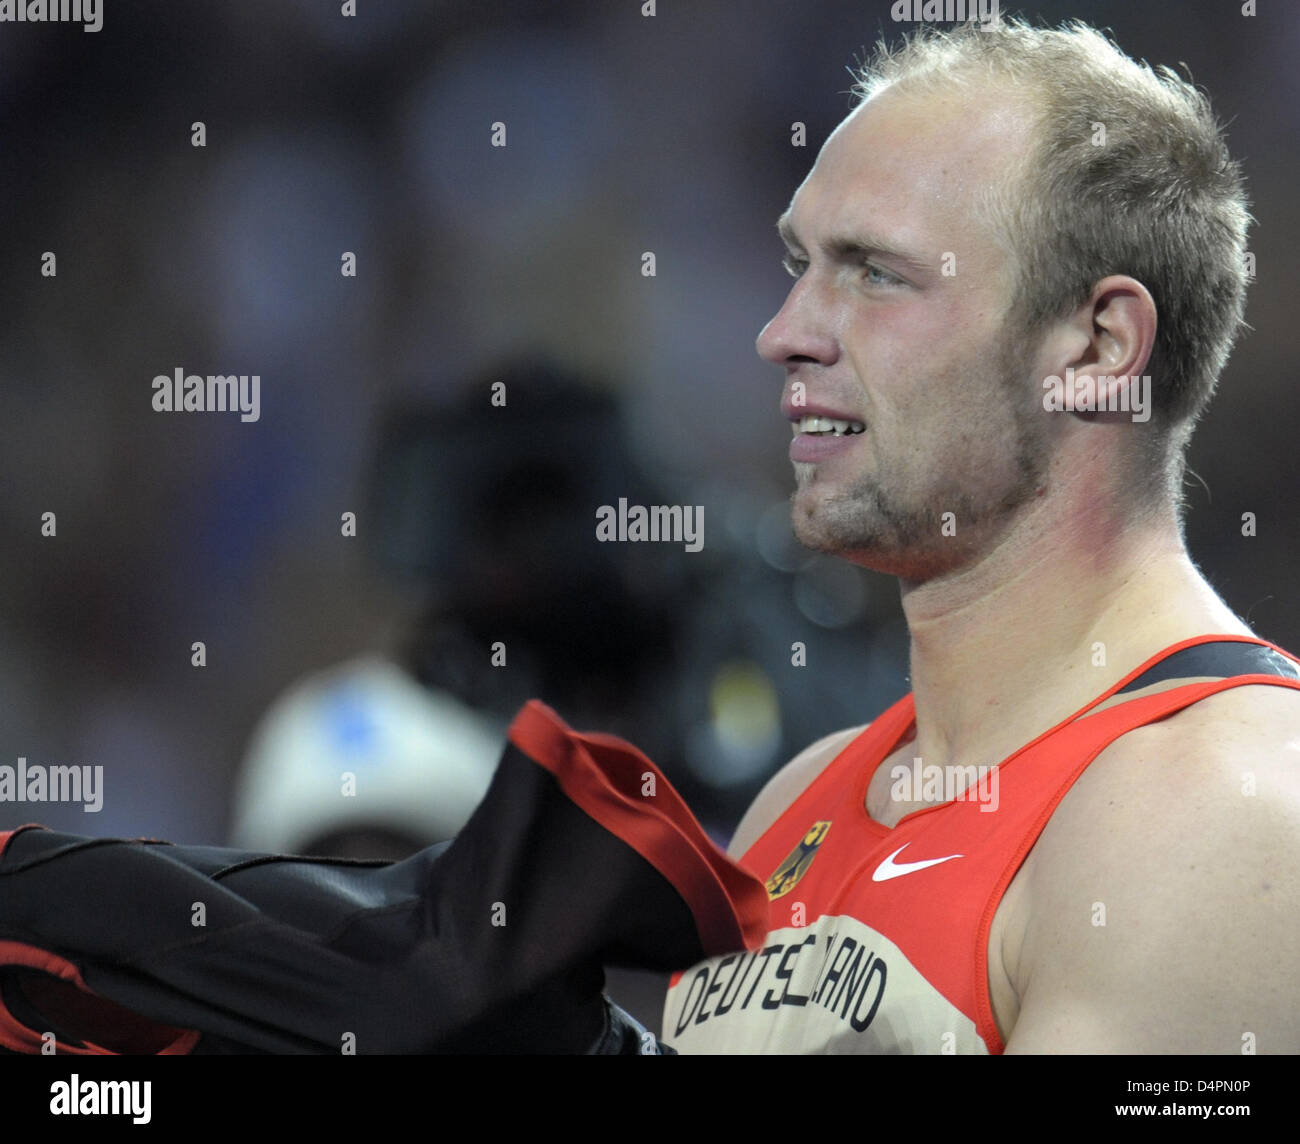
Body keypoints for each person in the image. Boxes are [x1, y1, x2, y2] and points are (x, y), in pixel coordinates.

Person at [663, 18, 1300, 1054]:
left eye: (874, 273)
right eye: (801, 262)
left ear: (1098, 346)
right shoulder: (796, 800)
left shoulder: (1221, 813)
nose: (784, 331)